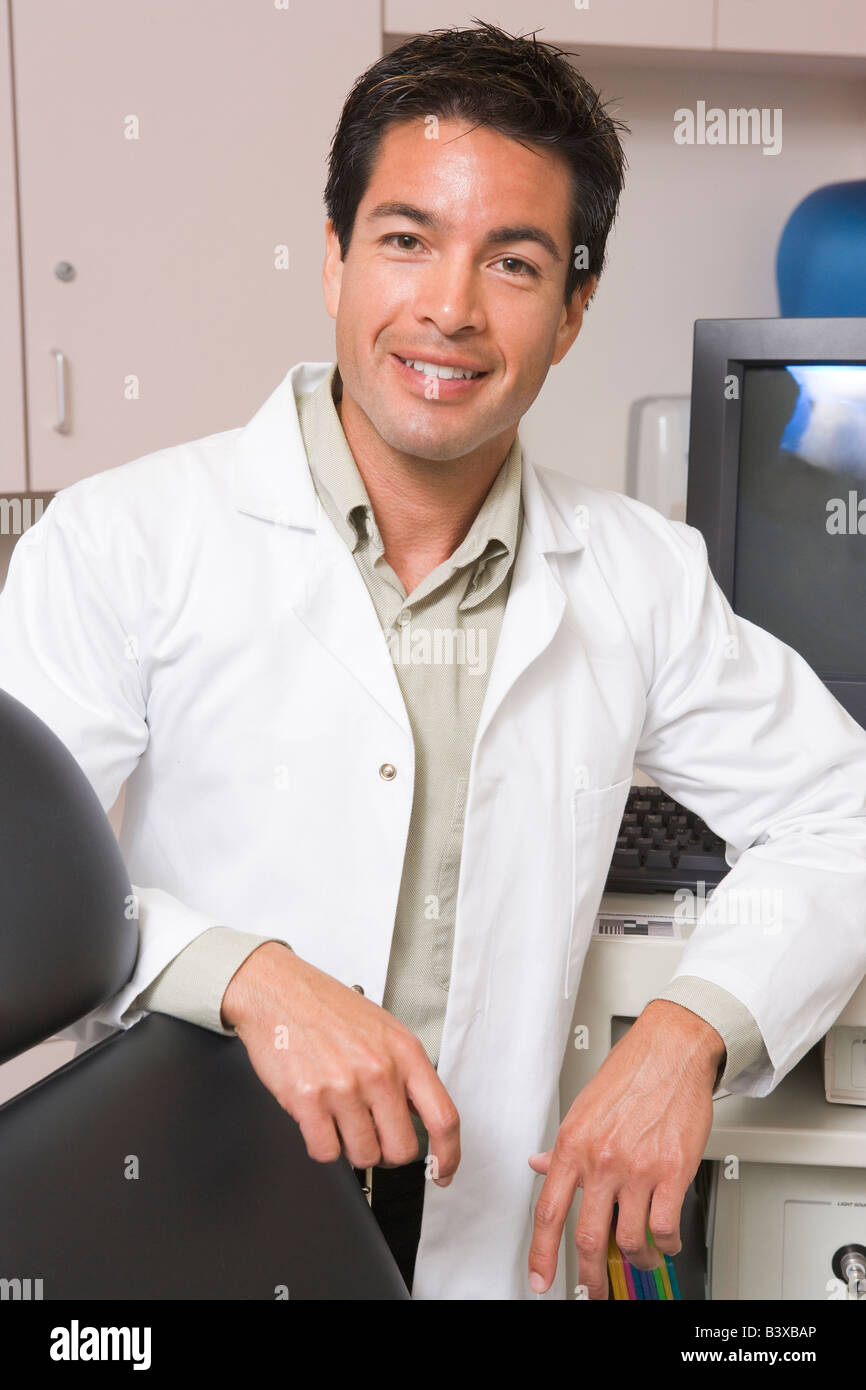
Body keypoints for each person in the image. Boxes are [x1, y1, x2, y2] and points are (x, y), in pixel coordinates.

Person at [2, 21, 866, 1301]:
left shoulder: (636, 574)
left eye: (512, 262)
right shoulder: (127, 536)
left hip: (478, 1258)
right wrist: (244, 971)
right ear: (336, 261)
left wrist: (689, 1031)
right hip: (180, 1237)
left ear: (572, 311)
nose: (448, 310)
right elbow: (19, 878)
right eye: (405, 240)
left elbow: (841, 813)